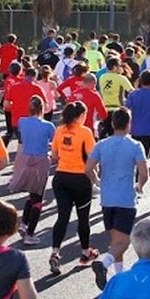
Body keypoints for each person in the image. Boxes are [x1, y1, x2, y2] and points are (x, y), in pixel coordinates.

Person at [87, 107, 149, 290]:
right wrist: (139, 187)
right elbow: (144, 173)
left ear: (113, 124)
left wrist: (97, 182)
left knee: (116, 242)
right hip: (125, 198)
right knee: (125, 241)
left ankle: (119, 277)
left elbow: (88, 167)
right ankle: (103, 264)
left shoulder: (102, 145)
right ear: (129, 124)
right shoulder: (135, 145)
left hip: (107, 198)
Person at [48, 101, 98, 277]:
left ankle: (55, 251)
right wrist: (96, 178)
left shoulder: (59, 130)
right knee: (83, 218)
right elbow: (92, 157)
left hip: (61, 177)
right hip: (80, 179)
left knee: (62, 216)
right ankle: (85, 251)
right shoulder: (85, 132)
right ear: (81, 116)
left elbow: (54, 155)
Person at [7, 96, 54, 246]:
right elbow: (52, 142)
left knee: (31, 194)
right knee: (38, 197)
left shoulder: (22, 122)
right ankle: (30, 233)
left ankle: (24, 223)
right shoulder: (48, 126)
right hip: (40, 161)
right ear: (42, 108)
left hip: (25, 158)